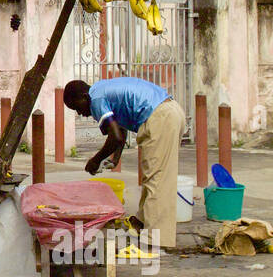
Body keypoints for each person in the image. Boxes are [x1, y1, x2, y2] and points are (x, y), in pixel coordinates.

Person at [63, 77, 185, 253]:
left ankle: (153, 242)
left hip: (160, 117)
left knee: (157, 180)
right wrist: (115, 158)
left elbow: (115, 137)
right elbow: (120, 128)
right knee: (152, 177)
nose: (80, 113)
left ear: (84, 96)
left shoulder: (95, 100)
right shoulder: (99, 90)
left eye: (77, 107)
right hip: (167, 112)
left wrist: (95, 160)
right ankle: (141, 223)